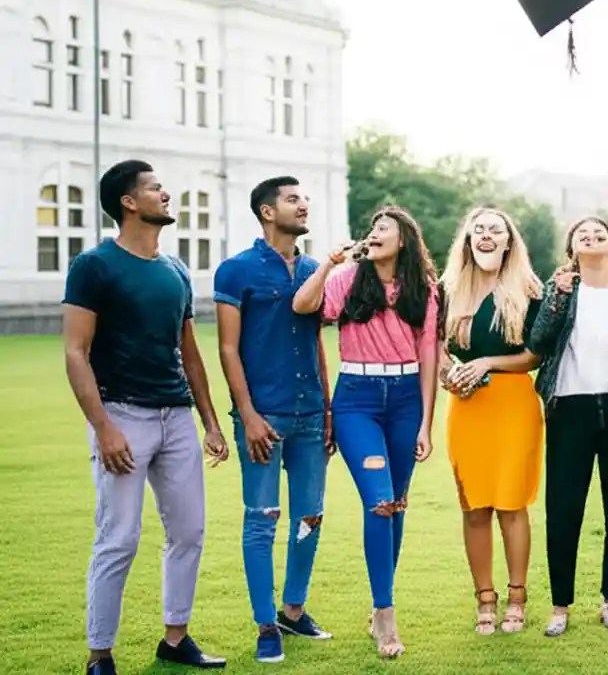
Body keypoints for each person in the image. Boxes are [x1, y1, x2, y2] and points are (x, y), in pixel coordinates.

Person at [63, 160, 230, 675]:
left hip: (176, 416)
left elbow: (190, 351)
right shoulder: (94, 266)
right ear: (129, 202)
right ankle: (100, 655)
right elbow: (75, 351)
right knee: (119, 537)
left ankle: (175, 639)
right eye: (155, 188)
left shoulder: (176, 270)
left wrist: (210, 422)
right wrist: (104, 427)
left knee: (189, 531)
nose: (166, 194)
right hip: (122, 415)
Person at [292, 205, 439, 659]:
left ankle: (379, 611)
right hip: (357, 399)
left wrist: (427, 424)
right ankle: (386, 615)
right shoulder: (348, 279)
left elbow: (430, 355)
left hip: (406, 399)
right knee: (379, 501)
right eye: (372, 227)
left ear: (404, 241)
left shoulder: (425, 290)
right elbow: (302, 305)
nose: (375, 233)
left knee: (395, 504)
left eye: (385, 229)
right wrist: (331, 263)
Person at [213, 176, 333, 663]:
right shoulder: (235, 271)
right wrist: (248, 414)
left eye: (305, 198)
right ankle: (266, 625)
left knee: (311, 516)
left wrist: (327, 410)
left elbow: (317, 344)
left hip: (310, 417)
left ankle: (293, 610)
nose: (303, 204)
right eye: (292, 199)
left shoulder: (312, 269)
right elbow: (227, 347)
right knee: (261, 520)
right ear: (267, 211)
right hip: (263, 418)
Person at [527, 216, 608, 637]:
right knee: (564, 511)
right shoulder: (560, 291)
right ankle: (560, 606)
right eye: (582, 233)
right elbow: (538, 343)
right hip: (569, 411)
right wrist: (555, 300)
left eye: (600, 233)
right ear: (572, 249)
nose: (591, 236)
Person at [438, 206, 544, 636]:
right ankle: (485, 599)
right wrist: (450, 373)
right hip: (466, 407)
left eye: (494, 230)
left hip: (514, 405)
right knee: (474, 506)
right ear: (467, 239)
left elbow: (534, 356)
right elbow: (433, 345)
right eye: (477, 229)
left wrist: (484, 362)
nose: (485, 236)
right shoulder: (446, 290)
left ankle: (517, 598)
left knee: (511, 504)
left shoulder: (528, 290)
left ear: (508, 241)